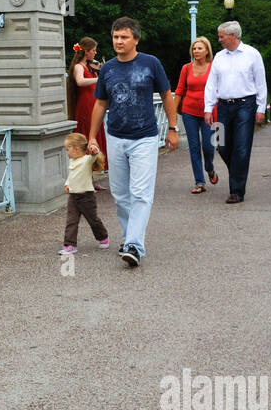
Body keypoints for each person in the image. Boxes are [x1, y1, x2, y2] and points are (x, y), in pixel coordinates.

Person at [89, 17, 177, 267]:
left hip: (145, 137)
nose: (119, 41)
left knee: (140, 193)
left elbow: (166, 95)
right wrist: (93, 136)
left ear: (135, 39)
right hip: (115, 136)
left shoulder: (151, 63)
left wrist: (172, 128)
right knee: (120, 194)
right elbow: (100, 103)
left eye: (124, 37)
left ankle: (134, 245)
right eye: (116, 37)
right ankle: (130, 238)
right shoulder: (107, 69)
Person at [202, 21, 266, 204]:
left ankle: (236, 191)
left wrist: (261, 107)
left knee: (241, 147)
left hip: (245, 105)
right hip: (223, 107)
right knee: (221, 145)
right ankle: (238, 171)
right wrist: (208, 108)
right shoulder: (219, 57)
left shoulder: (252, 54)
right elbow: (211, 84)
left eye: (222, 36)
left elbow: (261, 82)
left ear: (232, 36)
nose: (219, 39)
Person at [174, 36, 217, 193]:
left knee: (208, 145)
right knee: (194, 146)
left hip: (209, 112)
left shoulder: (214, 67)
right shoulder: (186, 68)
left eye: (199, 48)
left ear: (207, 51)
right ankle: (199, 182)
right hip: (189, 111)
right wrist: (172, 113)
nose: (196, 51)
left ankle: (210, 168)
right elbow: (179, 90)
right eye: (194, 48)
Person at [60, 132, 108, 254]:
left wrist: (94, 149)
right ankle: (70, 245)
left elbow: (95, 156)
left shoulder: (86, 160)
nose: (67, 152)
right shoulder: (73, 161)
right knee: (71, 221)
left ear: (76, 149)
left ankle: (103, 237)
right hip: (73, 196)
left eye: (67, 149)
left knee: (93, 220)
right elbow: (72, 176)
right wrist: (67, 184)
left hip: (86, 197)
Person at [67, 38, 107, 180]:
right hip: (85, 106)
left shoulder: (90, 66)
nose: (95, 53)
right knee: (86, 139)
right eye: (93, 50)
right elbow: (80, 81)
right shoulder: (79, 66)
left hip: (93, 104)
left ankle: (91, 179)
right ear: (86, 52)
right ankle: (86, 180)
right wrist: (99, 79)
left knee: (94, 136)